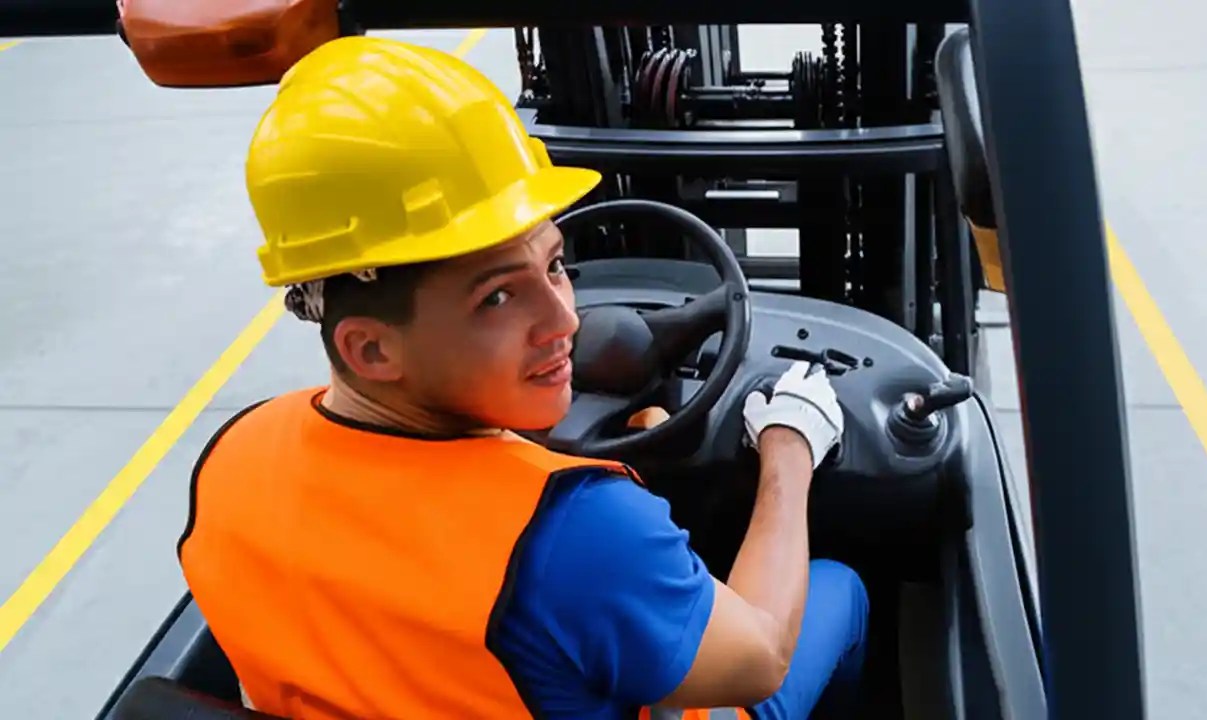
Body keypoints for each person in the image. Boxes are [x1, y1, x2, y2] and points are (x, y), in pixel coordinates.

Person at [177, 35, 869, 720]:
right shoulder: (575, 529)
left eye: (555, 264)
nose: (565, 320)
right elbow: (761, 657)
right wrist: (789, 446)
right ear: (373, 351)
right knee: (840, 590)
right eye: (498, 298)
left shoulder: (233, 457)